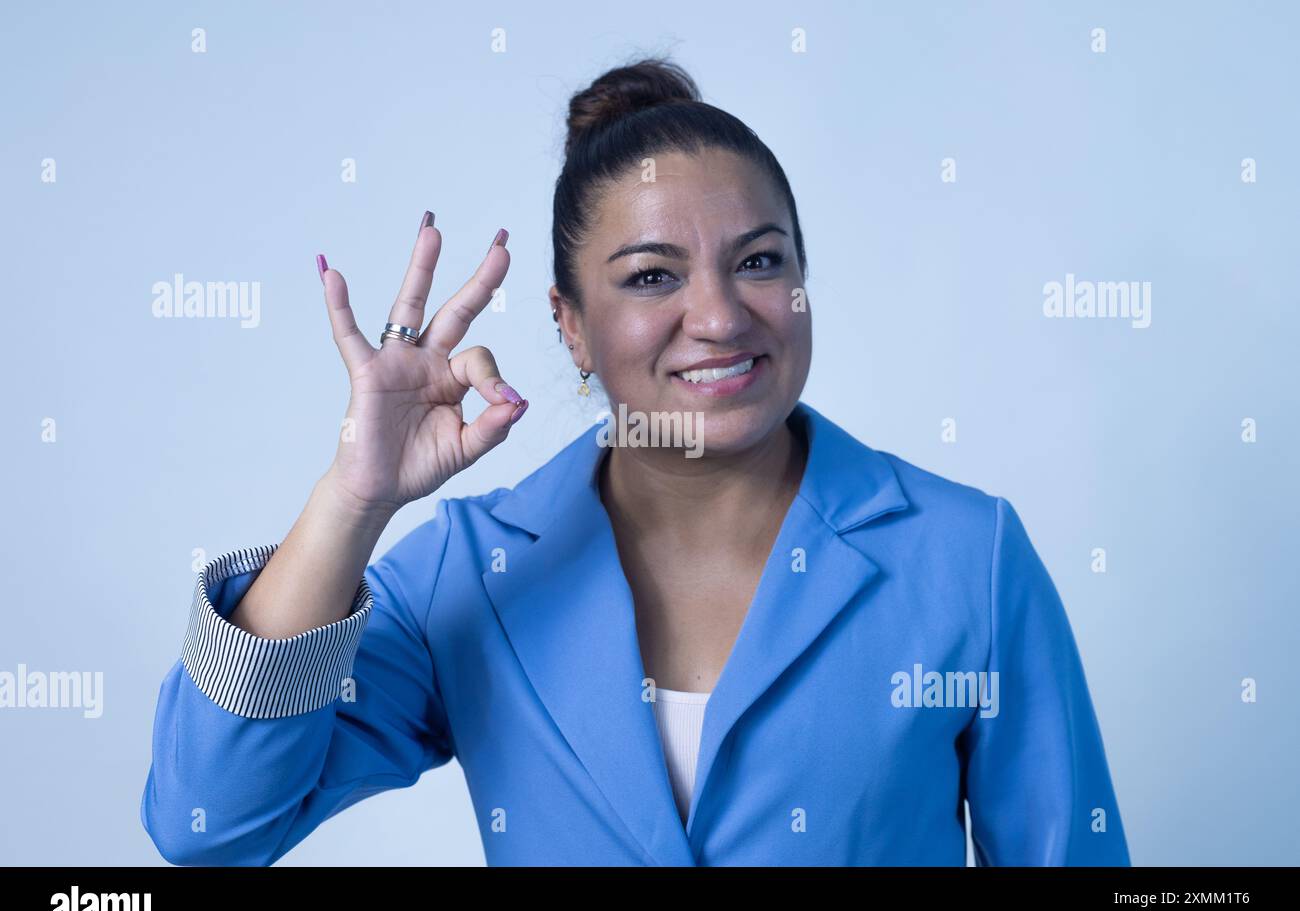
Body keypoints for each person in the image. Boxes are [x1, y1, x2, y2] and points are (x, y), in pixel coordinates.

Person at [140, 57, 1130, 866]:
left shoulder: (965, 555)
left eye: (760, 260)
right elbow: (208, 823)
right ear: (568, 325)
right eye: (653, 276)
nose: (719, 316)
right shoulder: (474, 569)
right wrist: (353, 495)